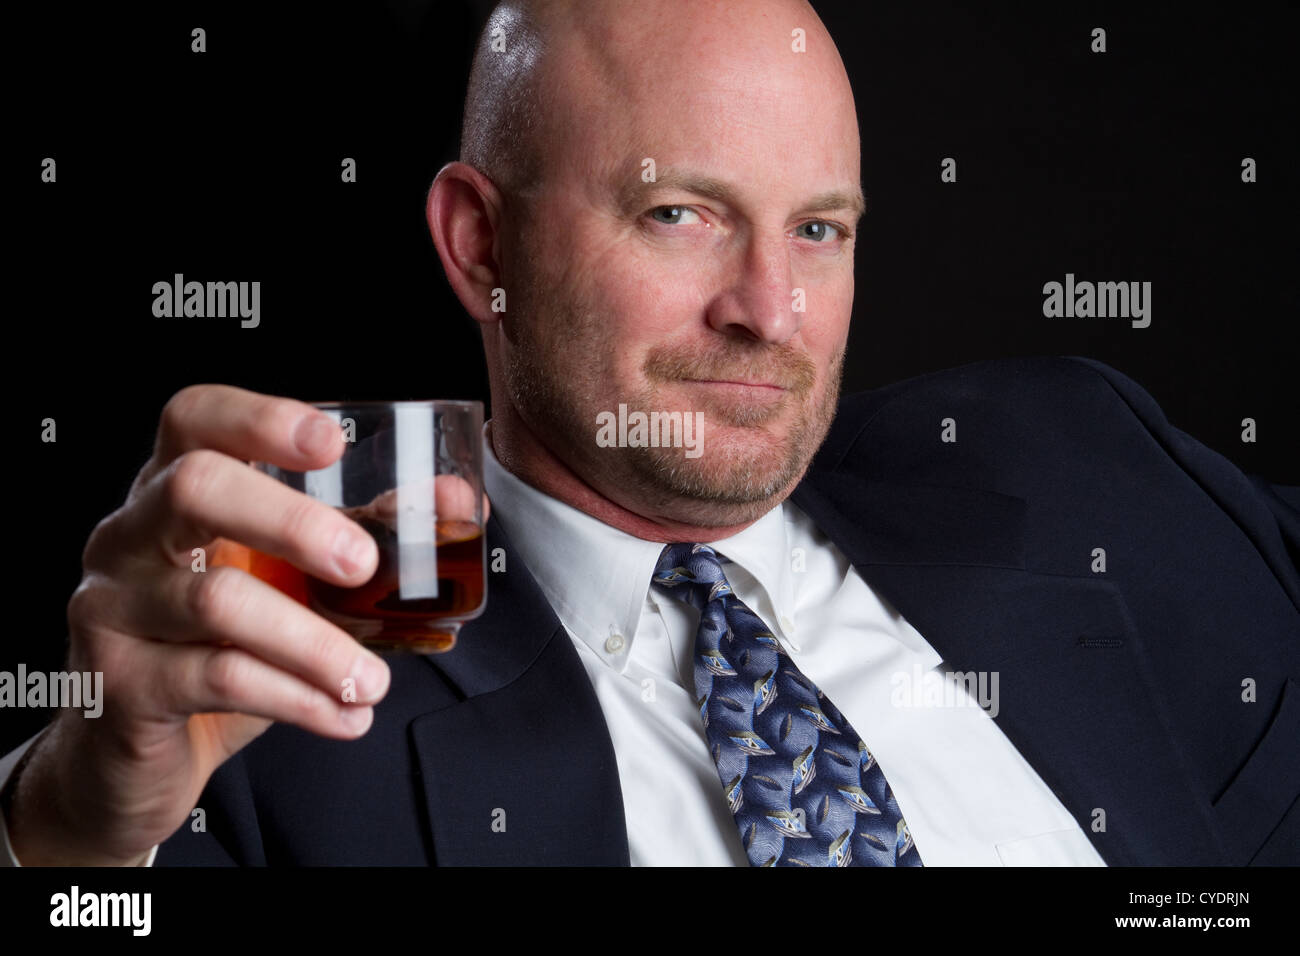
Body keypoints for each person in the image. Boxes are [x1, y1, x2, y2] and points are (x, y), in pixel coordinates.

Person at [2, 0, 1297, 867]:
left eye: (819, 229)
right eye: (681, 214)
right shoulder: (266, 710)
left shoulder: (1076, 459)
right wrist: (71, 823)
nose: (769, 313)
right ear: (481, 244)